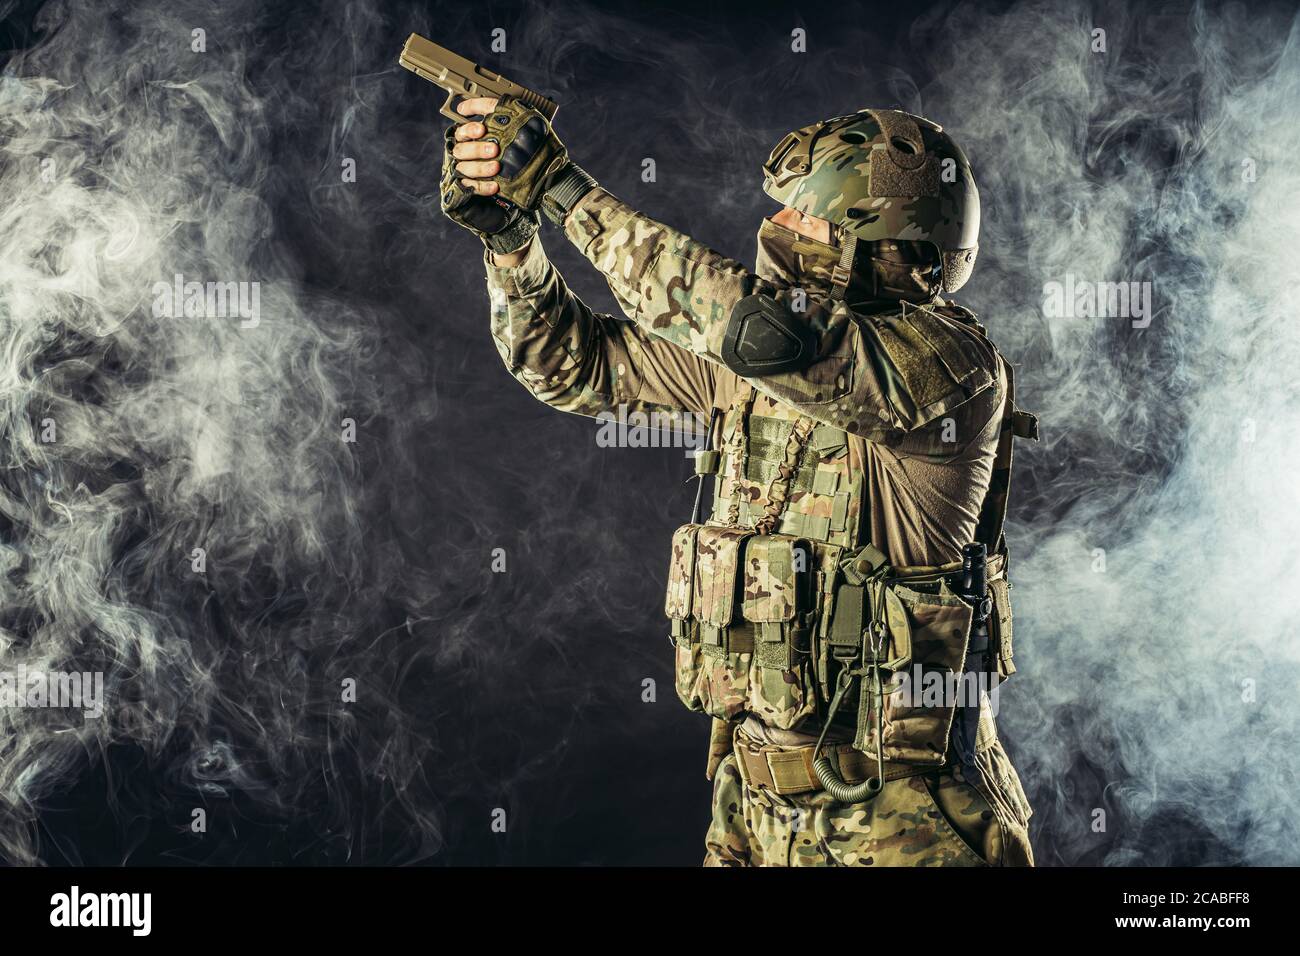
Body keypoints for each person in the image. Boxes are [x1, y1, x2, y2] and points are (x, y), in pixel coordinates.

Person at [440, 94, 1038, 866]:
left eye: (805, 217)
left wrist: (562, 190)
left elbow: (757, 332)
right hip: (754, 807)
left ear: (875, 241)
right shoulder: (759, 360)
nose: (778, 229)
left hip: (902, 820)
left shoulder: (943, 369)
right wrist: (514, 243)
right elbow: (571, 365)